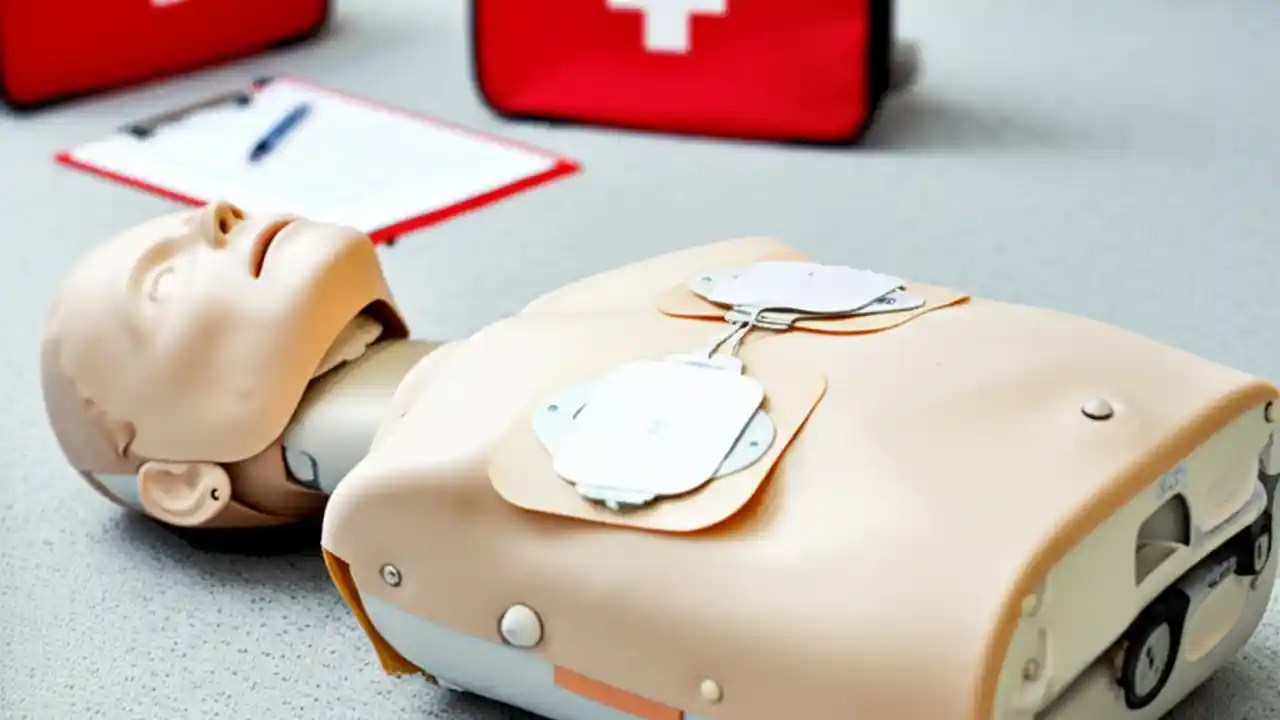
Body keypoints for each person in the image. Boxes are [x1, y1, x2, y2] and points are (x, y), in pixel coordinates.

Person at [42, 203, 1279, 720]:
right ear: (185, 485)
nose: (215, 217)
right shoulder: (405, 519)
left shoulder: (611, 297)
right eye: (165, 281)